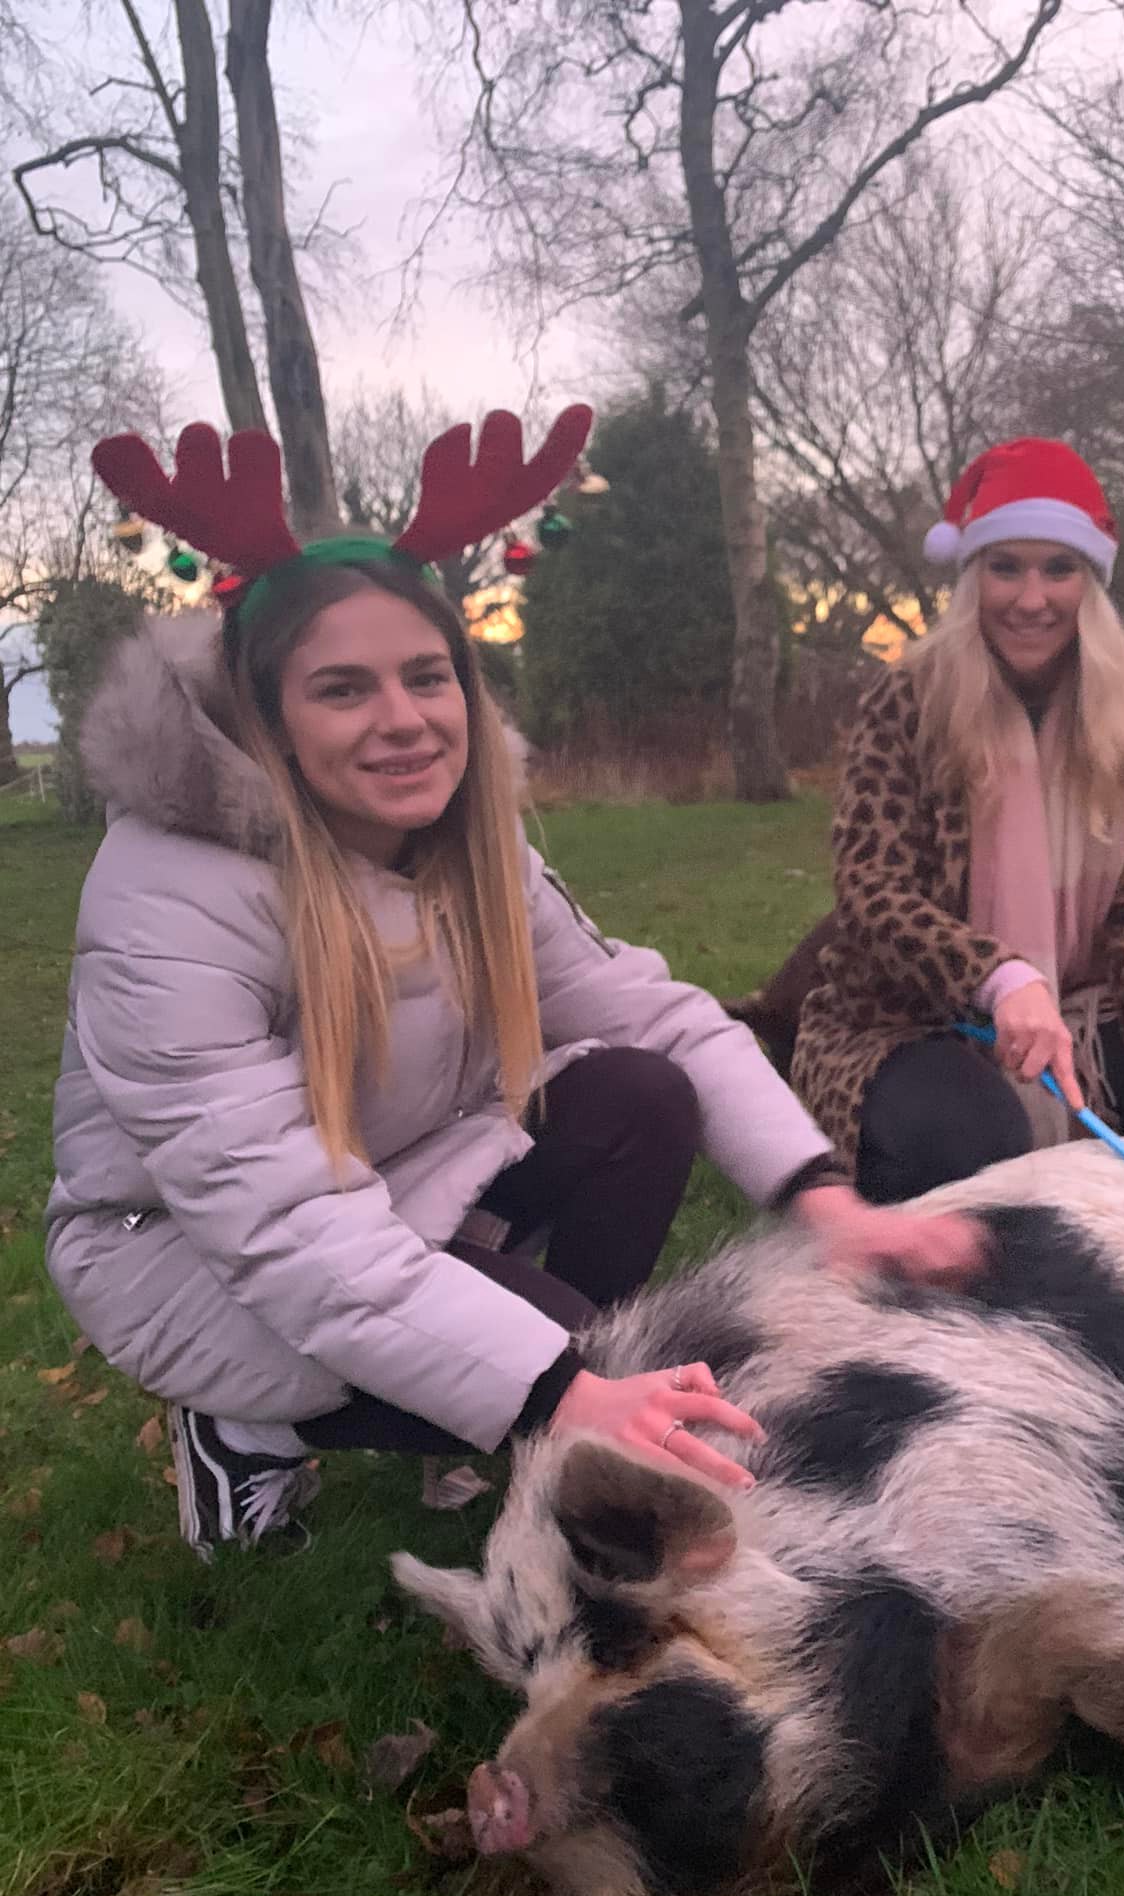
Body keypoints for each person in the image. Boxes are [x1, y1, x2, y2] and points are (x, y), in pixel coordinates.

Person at [46, 411, 978, 1561]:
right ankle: (247, 1424)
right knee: (578, 1370)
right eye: (343, 689)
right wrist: (562, 1388)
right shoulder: (168, 901)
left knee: (638, 1093)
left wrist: (826, 1201)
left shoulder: (464, 842)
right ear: (263, 713)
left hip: (386, 1185)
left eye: (428, 676)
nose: (404, 720)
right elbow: (282, 1223)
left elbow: (654, 1013)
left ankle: (493, 1415)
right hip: (188, 1253)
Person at [791, 436, 1124, 1206]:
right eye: (1006, 567)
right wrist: (999, 978)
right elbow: (872, 892)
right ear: (973, 577)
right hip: (907, 1024)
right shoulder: (907, 704)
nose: (1032, 599)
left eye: (1059, 568)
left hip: (1087, 1015)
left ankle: (1105, 1158)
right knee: (970, 1134)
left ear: (1091, 583)